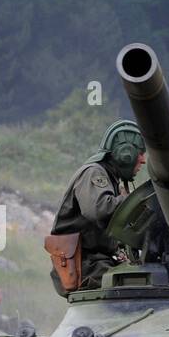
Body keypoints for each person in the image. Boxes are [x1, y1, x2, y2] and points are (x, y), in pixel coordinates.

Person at [49, 120, 148, 294]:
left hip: (100, 262)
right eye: (140, 153)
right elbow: (99, 209)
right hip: (86, 265)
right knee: (140, 283)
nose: (144, 160)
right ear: (127, 154)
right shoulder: (94, 173)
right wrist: (131, 201)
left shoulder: (112, 179)